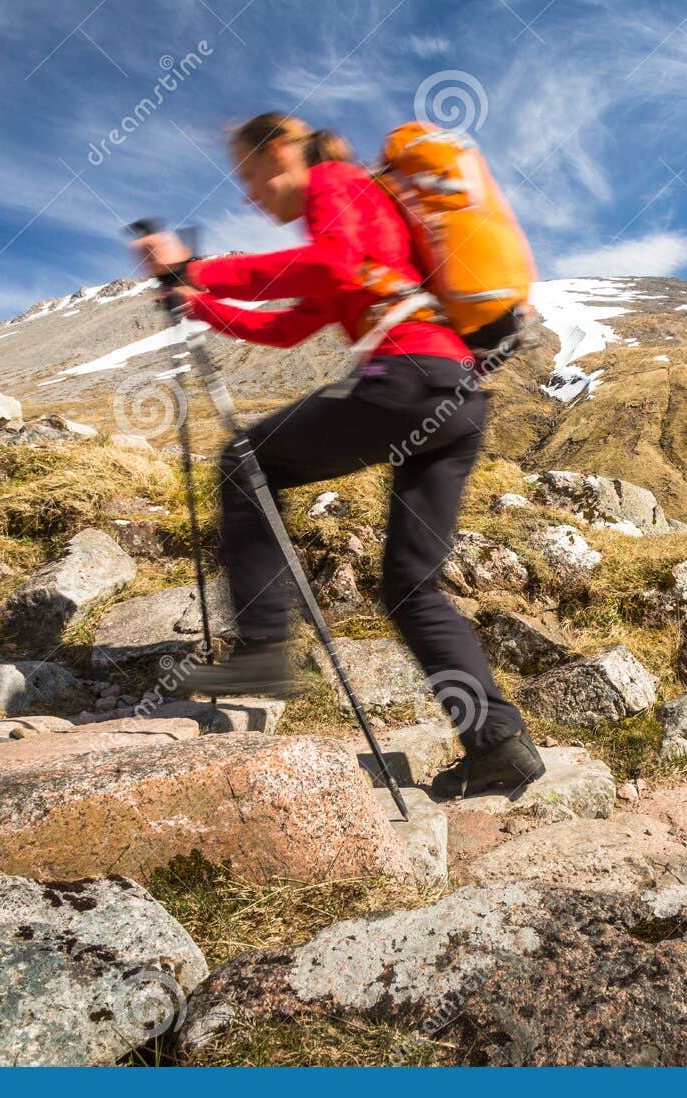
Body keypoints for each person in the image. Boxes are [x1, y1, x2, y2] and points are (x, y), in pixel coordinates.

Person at [129, 112, 543, 798]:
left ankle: (261, 650)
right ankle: (498, 744)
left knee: (245, 462)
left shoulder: (336, 181)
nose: (248, 196)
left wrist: (196, 266)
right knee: (412, 585)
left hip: (408, 379)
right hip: (454, 395)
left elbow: (330, 263)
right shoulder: (362, 207)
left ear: (281, 150)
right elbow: (293, 325)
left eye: (248, 175)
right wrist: (201, 303)